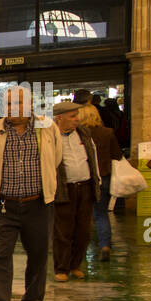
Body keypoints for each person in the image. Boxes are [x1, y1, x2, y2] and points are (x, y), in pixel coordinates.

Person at [0, 86, 60, 301]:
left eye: (19, 103)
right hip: (2, 205)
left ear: (31, 105)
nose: (14, 109)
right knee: (0, 255)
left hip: (38, 204)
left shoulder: (47, 127)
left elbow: (56, 158)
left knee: (38, 253)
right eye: (9, 104)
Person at [52, 100, 101, 281]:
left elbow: (93, 157)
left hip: (85, 186)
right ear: (59, 118)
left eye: (76, 116)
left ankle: (76, 265)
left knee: (84, 230)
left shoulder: (84, 133)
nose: (76, 120)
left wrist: (97, 182)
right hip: (64, 189)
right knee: (63, 231)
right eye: (72, 117)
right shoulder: (51, 136)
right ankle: (61, 268)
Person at [79, 102, 119, 260]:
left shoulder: (79, 134)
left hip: (84, 179)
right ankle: (105, 245)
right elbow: (117, 154)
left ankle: (80, 250)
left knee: (82, 216)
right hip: (104, 177)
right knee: (101, 214)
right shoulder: (108, 132)